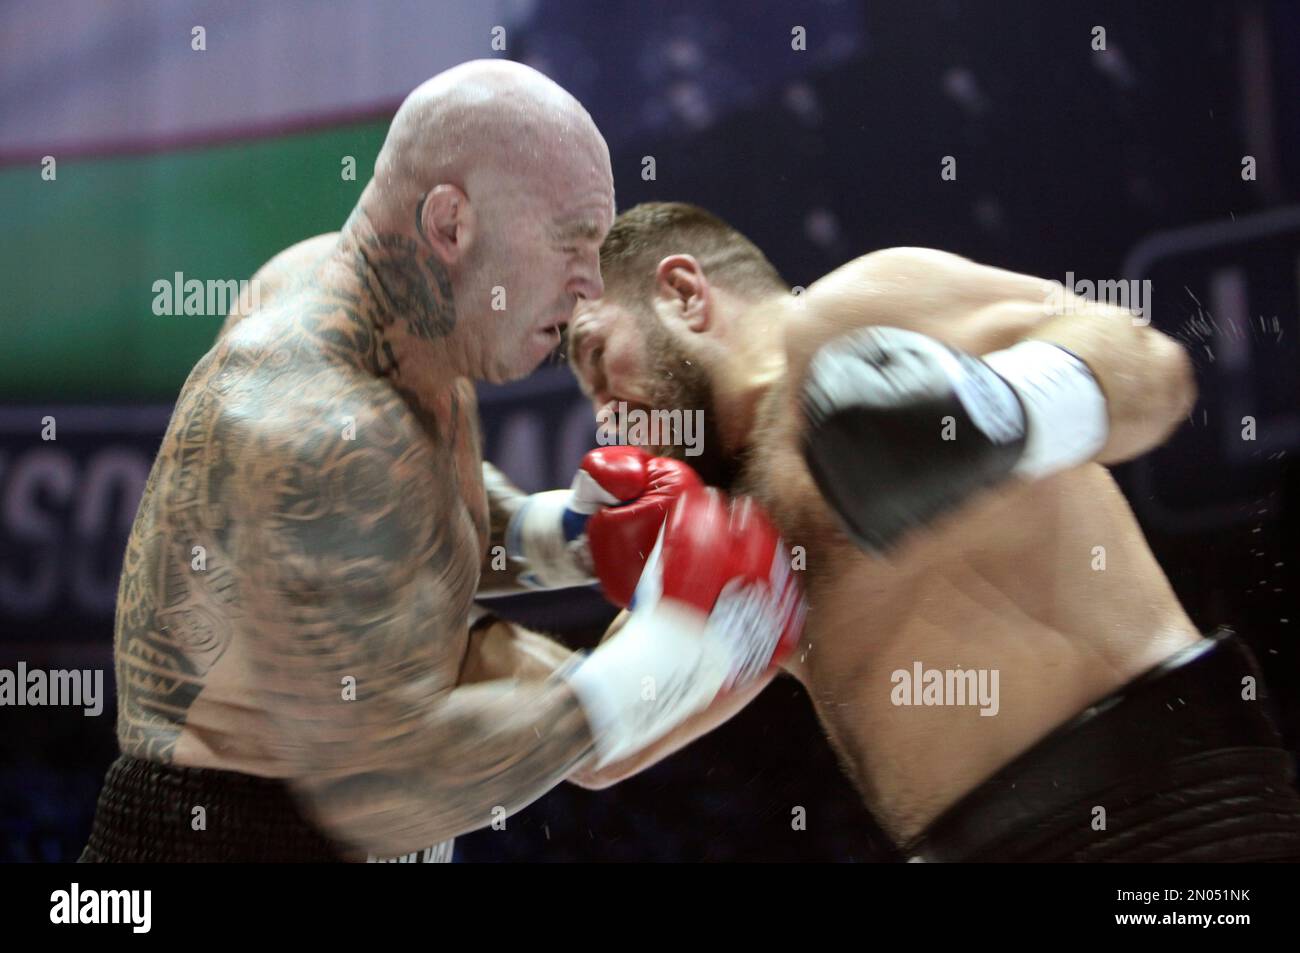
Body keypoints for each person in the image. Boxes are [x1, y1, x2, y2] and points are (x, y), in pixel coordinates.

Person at [80, 66, 801, 864]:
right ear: (452, 223)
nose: (592, 283)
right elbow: (383, 788)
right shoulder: (316, 420)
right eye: (572, 243)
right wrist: (667, 654)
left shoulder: (409, 325)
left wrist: (564, 531)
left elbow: (403, 520)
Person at [563, 201, 1300, 861]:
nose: (603, 413)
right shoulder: (721, 525)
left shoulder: (852, 316)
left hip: (1167, 818)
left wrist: (1002, 408)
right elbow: (595, 749)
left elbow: (1153, 367)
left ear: (684, 293)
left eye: (597, 358)